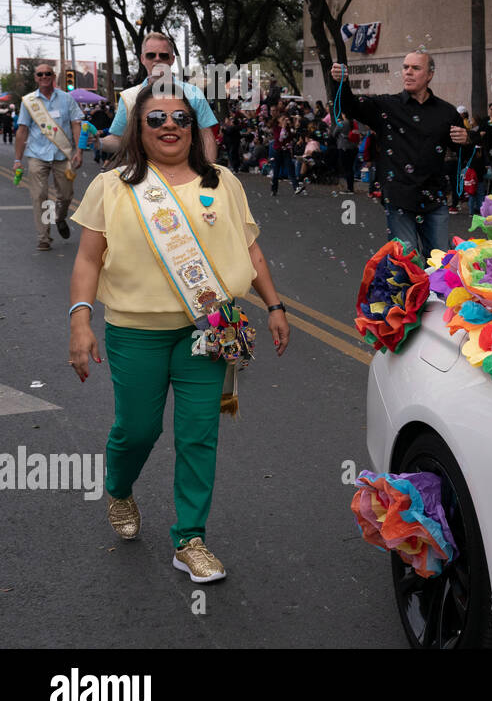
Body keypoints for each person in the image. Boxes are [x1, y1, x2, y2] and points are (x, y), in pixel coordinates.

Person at [68, 84, 291, 582]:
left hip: (206, 330)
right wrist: (80, 319)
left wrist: (274, 304)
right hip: (135, 332)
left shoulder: (224, 181)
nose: (169, 126)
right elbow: (87, 258)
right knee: (138, 429)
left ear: (193, 128)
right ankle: (120, 488)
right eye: (155, 119)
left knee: (199, 435)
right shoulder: (112, 186)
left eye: (180, 118)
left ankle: (190, 539)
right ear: (137, 129)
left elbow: (250, 250)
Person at [328, 52, 475, 257]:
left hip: (434, 200)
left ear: (430, 74)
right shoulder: (387, 105)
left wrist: (466, 141)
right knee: (405, 265)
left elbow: (465, 156)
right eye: (405, 67)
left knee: (440, 264)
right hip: (399, 199)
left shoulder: (447, 112)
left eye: (416, 68)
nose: (408, 72)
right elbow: (350, 105)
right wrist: (341, 82)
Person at [99, 32, 218, 162]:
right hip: (142, 177)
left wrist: (209, 171)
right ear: (142, 59)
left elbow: (206, 136)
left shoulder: (194, 93)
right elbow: (119, 140)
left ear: (172, 59)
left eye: (163, 55)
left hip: (186, 175)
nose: (157, 59)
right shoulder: (129, 97)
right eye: (151, 55)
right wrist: (97, 142)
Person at [14, 63, 82, 251]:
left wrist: (79, 150)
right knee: (40, 195)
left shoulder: (67, 99)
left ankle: (59, 218)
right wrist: (17, 160)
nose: (44, 76)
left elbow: (77, 123)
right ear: (36, 78)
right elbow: (22, 130)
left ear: (53, 76)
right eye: (40, 74)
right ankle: (44, 237)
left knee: (66, 195)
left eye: (48, 73)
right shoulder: (29, 101)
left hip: (62, 154)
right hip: (37, 155)